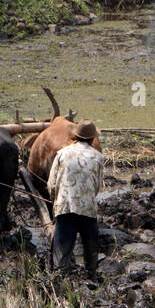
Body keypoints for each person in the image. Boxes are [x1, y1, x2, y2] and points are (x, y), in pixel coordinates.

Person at [48, 120, 105, 281]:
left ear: (76, 136)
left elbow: (51, 184)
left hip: (65, 208)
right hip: (88, 210)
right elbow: (97, 186)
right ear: (92, 138)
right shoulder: (98, 157)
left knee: (62, 248)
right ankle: (92, 277)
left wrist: (55, 199)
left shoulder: (62, 153)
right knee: (90, 247)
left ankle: (60, 279)